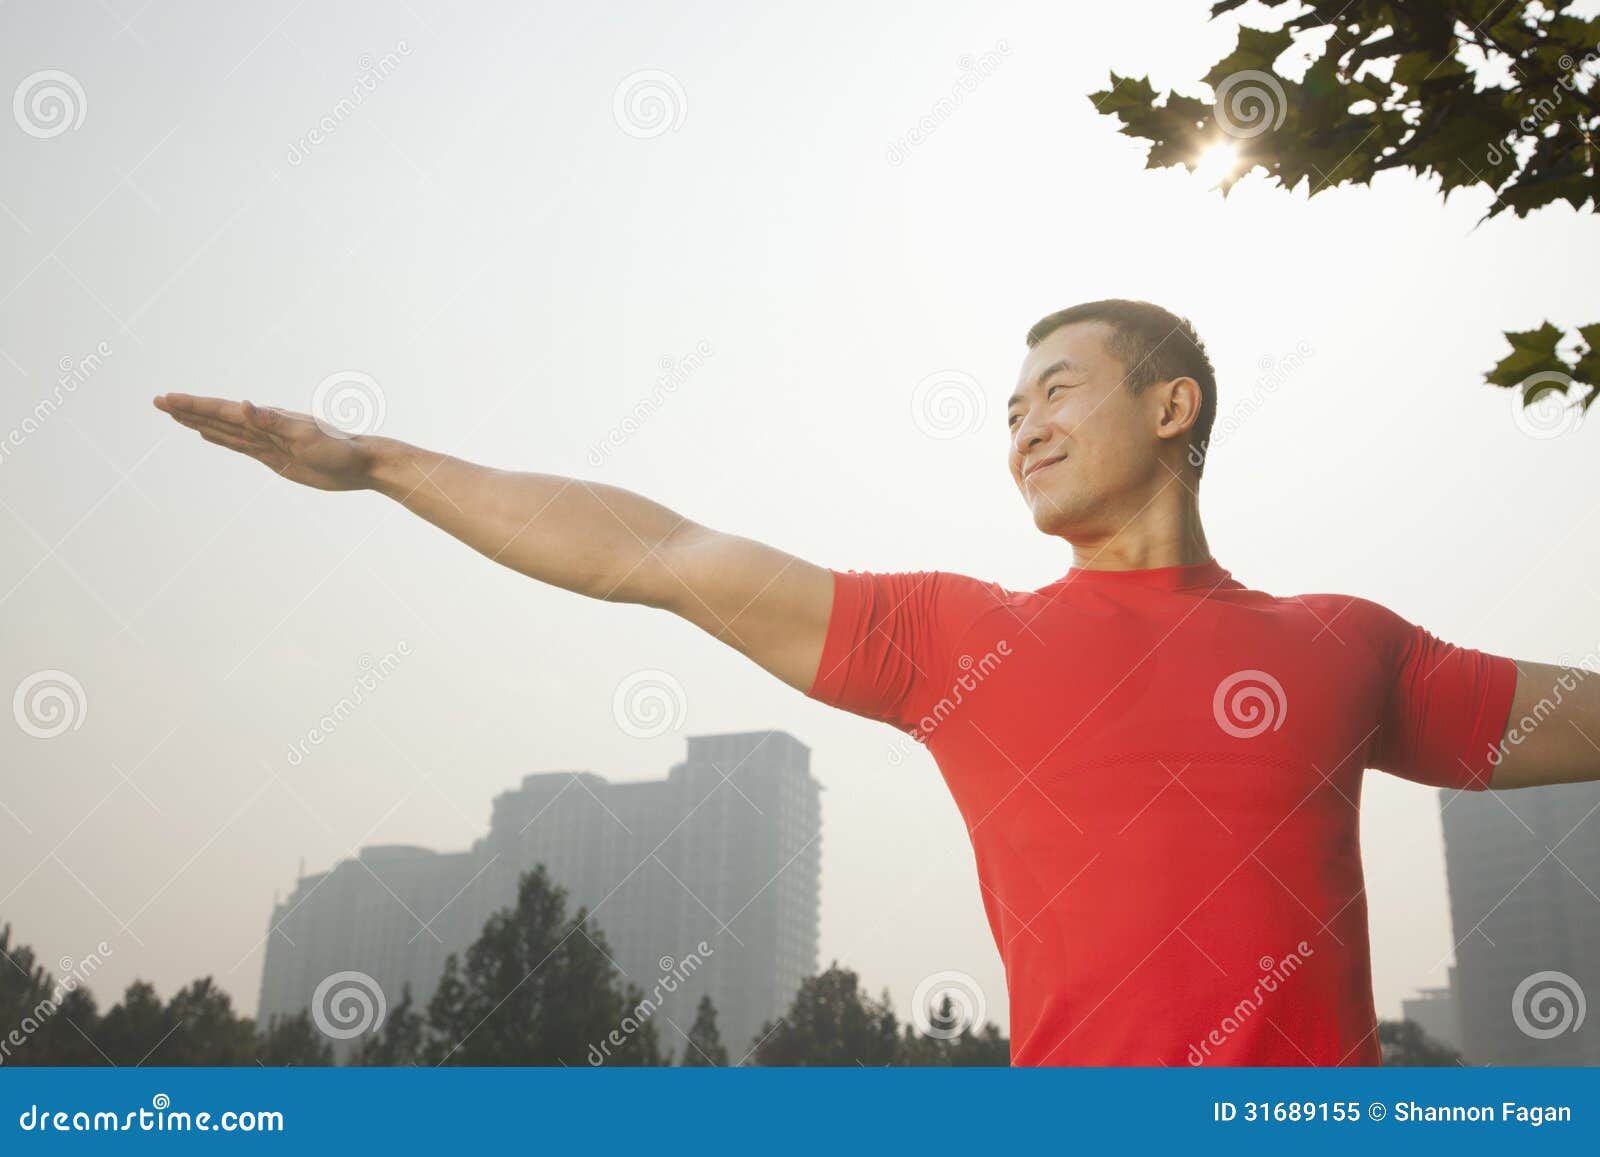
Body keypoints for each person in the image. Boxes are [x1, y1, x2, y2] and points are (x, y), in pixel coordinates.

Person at [153, 298, 1597, 1066]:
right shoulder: (958, 640)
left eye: (1057, 387)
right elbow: (655, 552)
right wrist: (386, 465)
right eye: (1008, 406)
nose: (1022, 422)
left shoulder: (1345, 643)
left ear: (1174, 406)